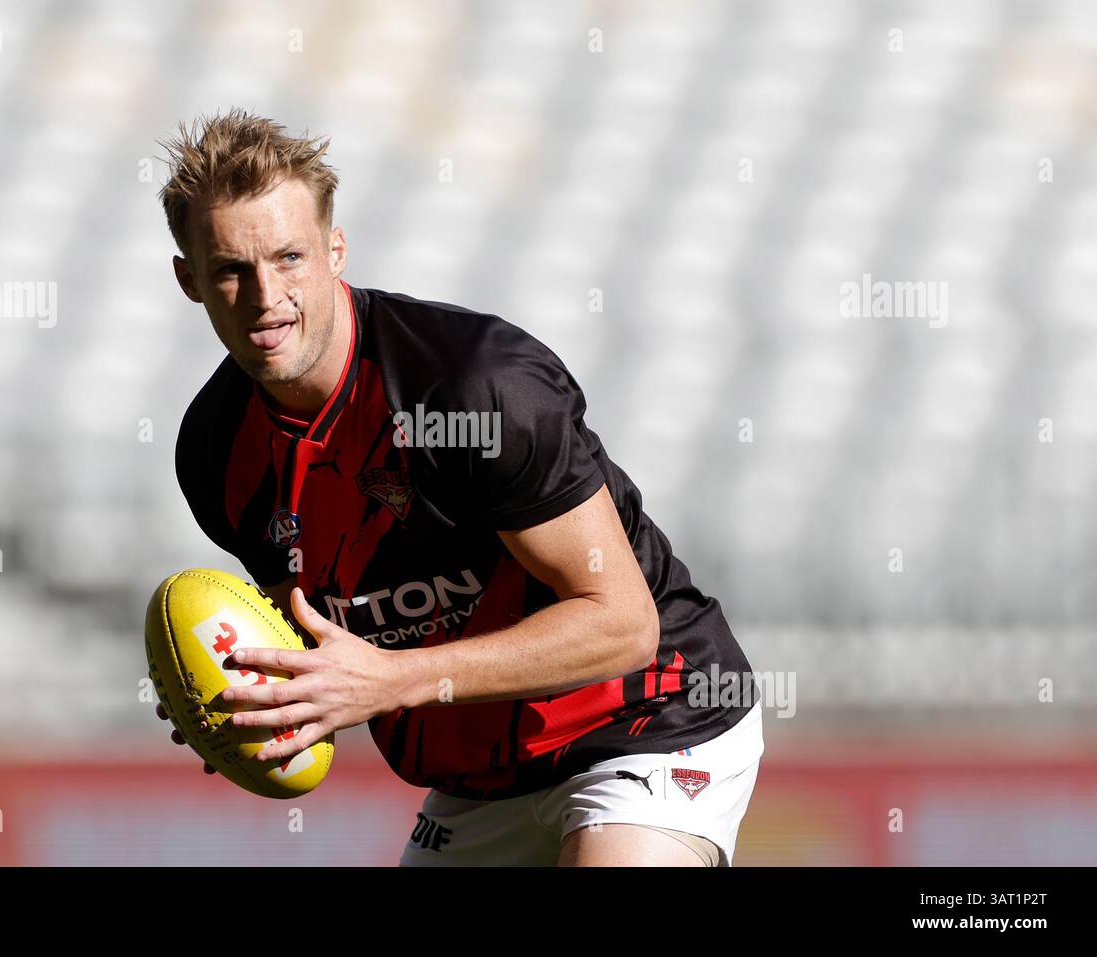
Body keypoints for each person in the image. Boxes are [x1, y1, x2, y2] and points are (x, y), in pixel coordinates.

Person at [155, 109, 763, 866]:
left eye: (289, 257)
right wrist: (237, 697)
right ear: (189, 279)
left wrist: (392, 679)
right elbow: (320, 644)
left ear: (335, 250)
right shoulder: (215, 452)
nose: (265, 294)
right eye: (229, 269)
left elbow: (622, 624)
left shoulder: (474, 386)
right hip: (477, 776)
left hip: (647, 716)